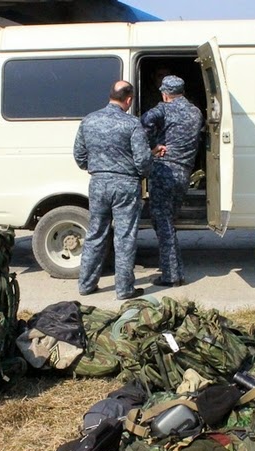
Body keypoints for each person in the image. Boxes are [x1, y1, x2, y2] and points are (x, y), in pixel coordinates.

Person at [74, 80, 152, 300]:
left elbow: (79, 155)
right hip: (125, 184)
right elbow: (143, 160)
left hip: (98, 183)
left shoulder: (89, 120)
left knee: (95, 234)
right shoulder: (132, 123)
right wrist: (143, 173)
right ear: (129, 99)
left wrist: (98, 169)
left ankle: (86, 284)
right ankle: (124, 289)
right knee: (124, 237)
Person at [141, 75, 203, 287]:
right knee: (169, 221)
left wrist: (152, 146)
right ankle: (174, 271)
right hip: (184, 173)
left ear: (165, 94)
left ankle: (171, 275)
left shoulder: (163, 109)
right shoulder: (195, 112)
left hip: (164, 170)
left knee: (162, 222)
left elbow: (145, 121)